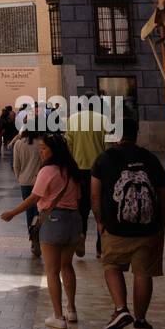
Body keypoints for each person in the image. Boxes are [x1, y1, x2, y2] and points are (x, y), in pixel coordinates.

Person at [91, 119, 165, 329]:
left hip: (115, 228)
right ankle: (141, 321)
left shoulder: (104, 159)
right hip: (148, 229)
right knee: (143, 274)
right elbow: (163, 197)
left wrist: (99, 222)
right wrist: (160, 226)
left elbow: (95, 196)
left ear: (116, 135)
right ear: (137, 134)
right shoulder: (150, 159)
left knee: (112, 266)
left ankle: (120, 308)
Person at [1, 133, 82, 329]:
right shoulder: (72, 170)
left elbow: (33, 198)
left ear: (54, 151)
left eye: (44, 148)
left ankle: (58, 316)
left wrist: (12, 213)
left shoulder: (47, 171)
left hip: (53, 220)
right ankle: (71, 309)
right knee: (67, 266)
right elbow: (79, 197)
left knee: (52, 271)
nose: (41, 151)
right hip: (73, 221)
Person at [65, 96, 111, 259]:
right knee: (102, 208)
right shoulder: (104, 120)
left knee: (81, 208)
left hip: (79, 171)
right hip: (100, 171)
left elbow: (68, 146)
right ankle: (100, 247)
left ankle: (82, 234)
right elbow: (108, 147)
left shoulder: (72, 120)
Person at [11, 124, 44, 257]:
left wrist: (20, 178)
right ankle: (39, 236)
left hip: (24, 182)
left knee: (28, 211)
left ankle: (32, 237)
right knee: (39, 211)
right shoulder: (41, 144)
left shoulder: (19, 144)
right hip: (39, 182)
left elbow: (16, 164)